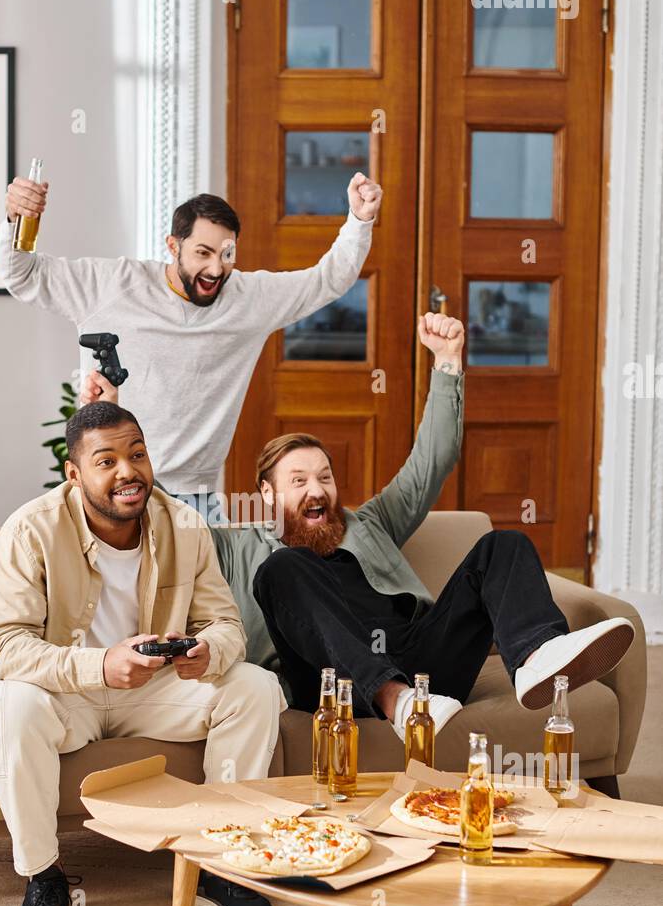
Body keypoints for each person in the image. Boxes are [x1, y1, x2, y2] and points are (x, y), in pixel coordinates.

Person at [95, 311, 635, 736]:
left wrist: (448, 363)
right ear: (266, 494)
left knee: (505, 543)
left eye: (324, 477)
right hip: (329, 681)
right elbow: (157, 512)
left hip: (426, 665)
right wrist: (112, 422)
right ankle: (394, 703)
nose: (317, 490)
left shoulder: (370, 521)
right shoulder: (236, 545)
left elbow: (433, 461)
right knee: (285, 568)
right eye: (299, 480)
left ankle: (538, 656)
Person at [0, 401, 287, 906]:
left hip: (153, 690)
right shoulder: (31, 529)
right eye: (106, 461)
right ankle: (44, 878)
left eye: (136, 455)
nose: (127, 472)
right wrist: (100, 665)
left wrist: (210, 648)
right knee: (14, 707)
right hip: (64, 695)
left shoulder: (184, 523)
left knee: (256, 687)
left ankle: (216, 866)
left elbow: (225, 622)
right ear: (75, 473)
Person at [0, 175, 382, 517]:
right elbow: (21, 275)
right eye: (203, 253)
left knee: (200, 595)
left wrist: (359, 221)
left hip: (195, 497)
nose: (216, 269)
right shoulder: (111, 284)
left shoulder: (249, 299)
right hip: (110, 485)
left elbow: (326, 281)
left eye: (227, 253)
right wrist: (15, 217)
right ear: (173, 245)